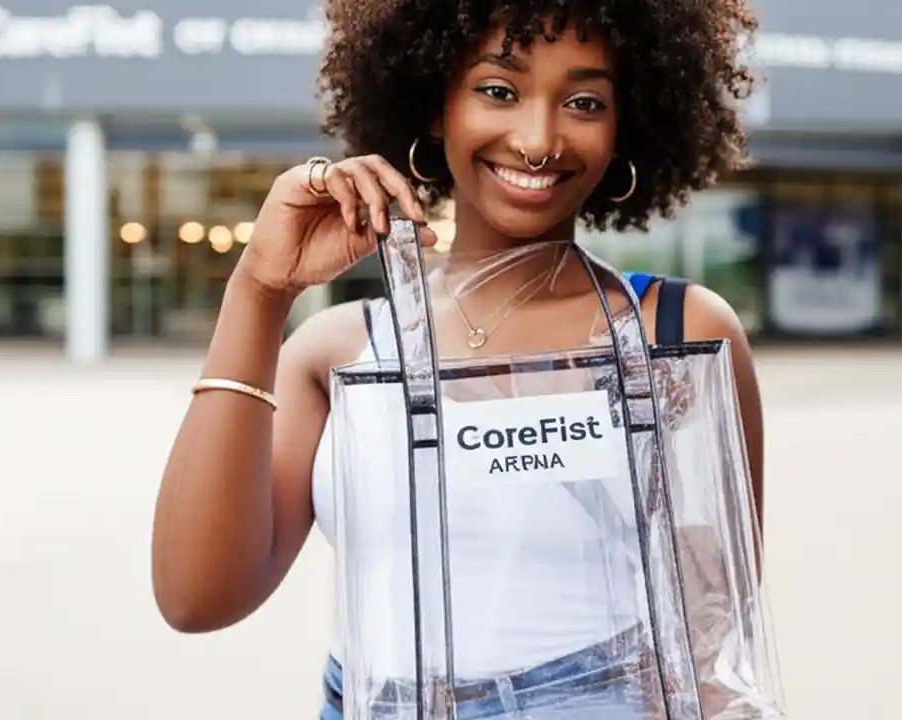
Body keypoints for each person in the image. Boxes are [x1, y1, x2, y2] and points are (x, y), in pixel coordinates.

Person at [151, 0, 765, 717]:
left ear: (625, 124)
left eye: (585, 101)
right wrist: (259, 290)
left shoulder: (676, 333)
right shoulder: (343, 353)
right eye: (498, 90)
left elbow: (718, 631)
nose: (539, 139)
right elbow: (196, 597)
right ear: (434, 103)